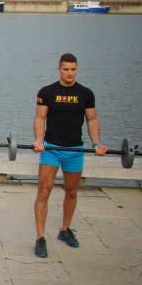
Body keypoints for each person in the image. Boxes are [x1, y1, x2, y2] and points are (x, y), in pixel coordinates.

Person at [32, 53, 106, 258]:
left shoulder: (86, 94)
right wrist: (39, 140)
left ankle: (65, 230)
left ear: (77, 69)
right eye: (66, 69)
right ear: (59, 69)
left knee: (72, 191)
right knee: (44, 192)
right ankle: (40, 238)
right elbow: (40, 118)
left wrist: (97, 143)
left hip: (75, 151)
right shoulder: (47, 92)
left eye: (73, 69)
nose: (70, 73)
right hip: (52, 149)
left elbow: (92, 120)